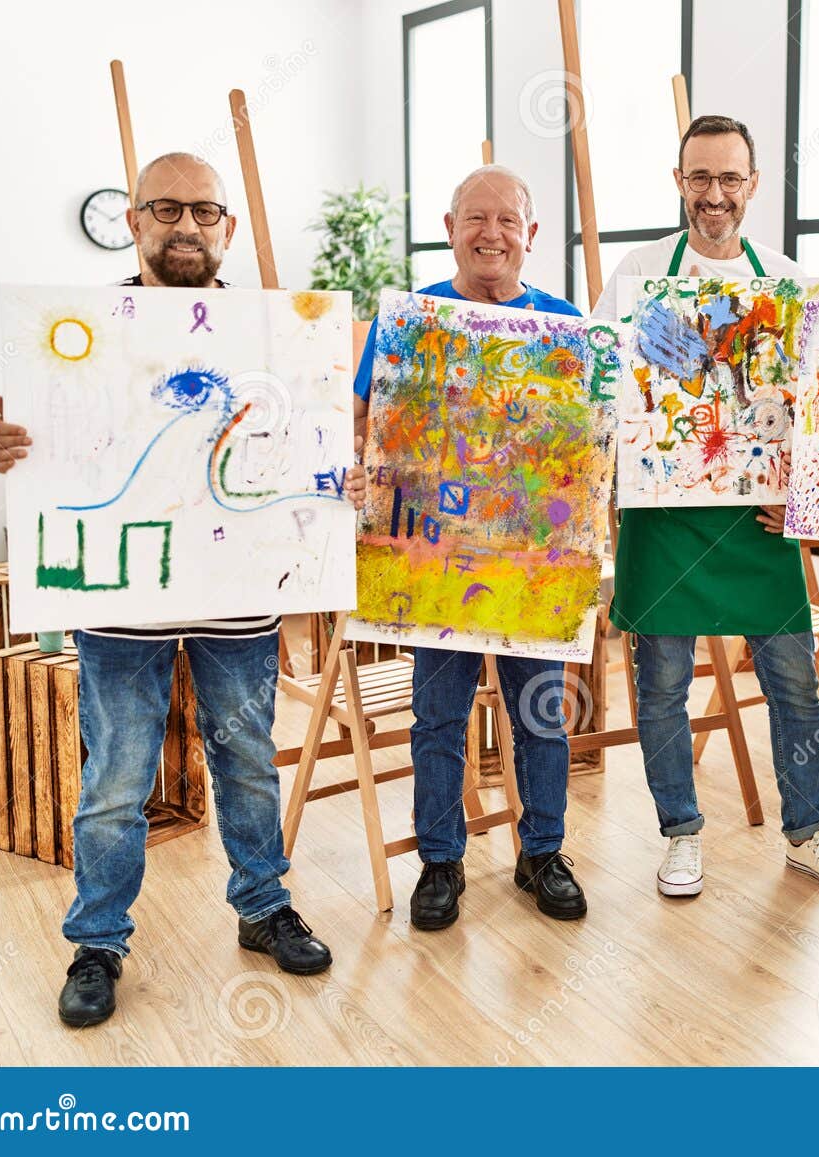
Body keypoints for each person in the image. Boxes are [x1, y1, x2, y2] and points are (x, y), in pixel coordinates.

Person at [0, 152, 364, 1028]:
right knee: (116, 777)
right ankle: (99, 938)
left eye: (203, 210)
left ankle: (263, 905)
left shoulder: (277, 334)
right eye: (165, 208)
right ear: (134, 221)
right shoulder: (79, 331)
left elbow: (310, 442)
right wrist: (8, 446)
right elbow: (48, 445)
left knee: (248, 762)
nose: (185, 225)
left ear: (227, 227)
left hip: (240, 598)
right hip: (121, 603)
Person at [591, 115, 819, 899]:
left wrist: (813, 501)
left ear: (753, 185)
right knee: (661, 685)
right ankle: (680, 834)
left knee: (792, 685)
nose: (714, 195)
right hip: (664, 517)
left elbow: (818, 410)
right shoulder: (637, 277)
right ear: (678, 180)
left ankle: (808, 833)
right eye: (700, 178)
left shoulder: (785, 281)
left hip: (760, 521)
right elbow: (601, 390)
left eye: (730, 179)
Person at [352, 165, 588, 929]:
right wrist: (360, 477)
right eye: (475, 218)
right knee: (438, 718)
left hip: (534, 560)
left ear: (531, 235)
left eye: (508, 220)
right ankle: (440, 861)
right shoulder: (412, 321)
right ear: (450, 228)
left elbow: (588, 444)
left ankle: (542, 851)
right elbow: (362, 423)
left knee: (541, 714)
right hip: (432, 560)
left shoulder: (565, 325)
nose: (492, 234)